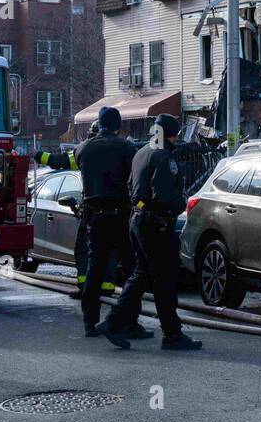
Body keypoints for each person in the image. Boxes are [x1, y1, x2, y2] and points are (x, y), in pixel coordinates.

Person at [35, 108, 151, 339]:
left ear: (99, 124)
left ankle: (90, 323)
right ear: (118, 126)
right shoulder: (126, 147)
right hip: (120, 217)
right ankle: (129, 323)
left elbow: (62, 162)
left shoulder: (83, 149)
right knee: (131, 271)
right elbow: (137, 179)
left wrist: (39, 156)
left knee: (95, 271)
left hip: (94, 218)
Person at [97, 113, 202, 351]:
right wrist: (180, 202)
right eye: (175, 134)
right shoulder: (165, 158)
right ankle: (168, 334)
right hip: (157, 224)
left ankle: (118, 323)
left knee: (143, 275)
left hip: (139, 221)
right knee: (163, 279)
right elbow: (163, 195)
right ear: (170, 134)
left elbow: (131, 186)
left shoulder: (141, 153)